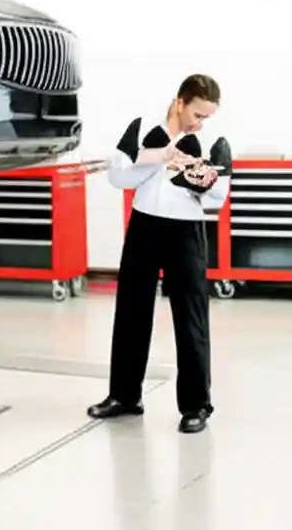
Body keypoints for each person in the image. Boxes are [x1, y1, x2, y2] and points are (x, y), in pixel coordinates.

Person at [87, 73, 232, 434]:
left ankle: (196, 406)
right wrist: (159, 157)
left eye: (207, 117)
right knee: (131, 312)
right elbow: (118, 178)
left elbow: (219, 196)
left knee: (191, 318)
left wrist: (203, 180)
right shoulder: (143, 127)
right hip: (144, 226)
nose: (201, 123)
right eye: (197, 114)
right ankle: (124, 396)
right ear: (180, 101)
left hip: (186, 232)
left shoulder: (212, 140)